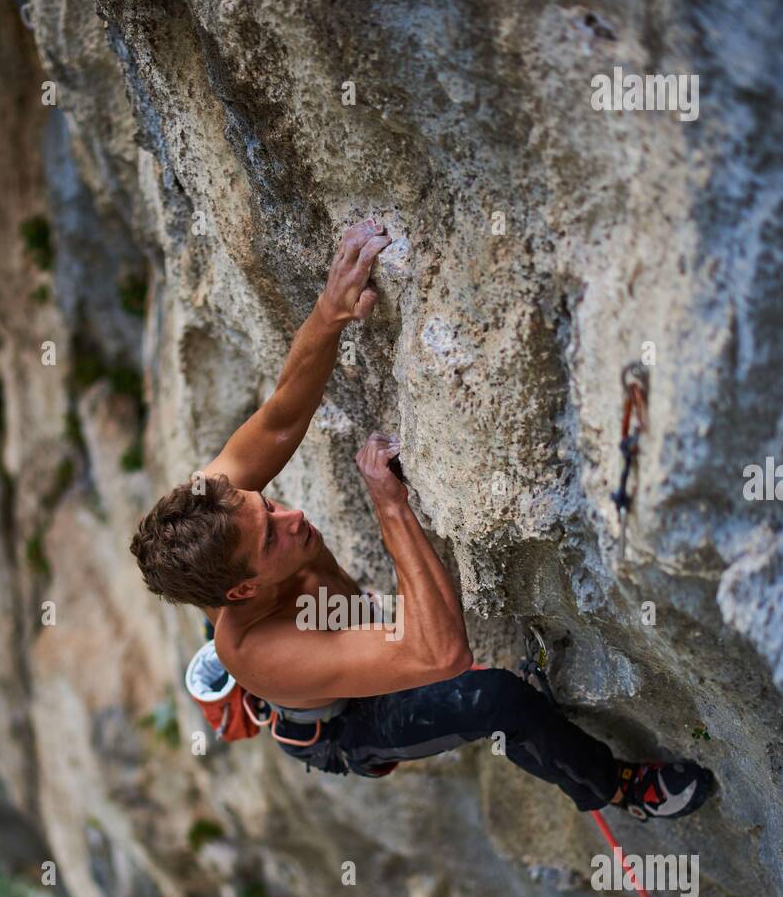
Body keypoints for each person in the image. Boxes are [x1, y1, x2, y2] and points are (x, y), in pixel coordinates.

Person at [130, 219, 714, 820]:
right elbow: (440, 656)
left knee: (310, 590)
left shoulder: (220, 504)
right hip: (345, 723)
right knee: (498, 700)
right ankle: (618, 789)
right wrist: (390, 507)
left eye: (268, 504)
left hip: (310, 617)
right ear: (243, 589)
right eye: (272, 536)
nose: (293, 515)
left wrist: (329, 312)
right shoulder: (261, 651)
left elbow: (281, 419)